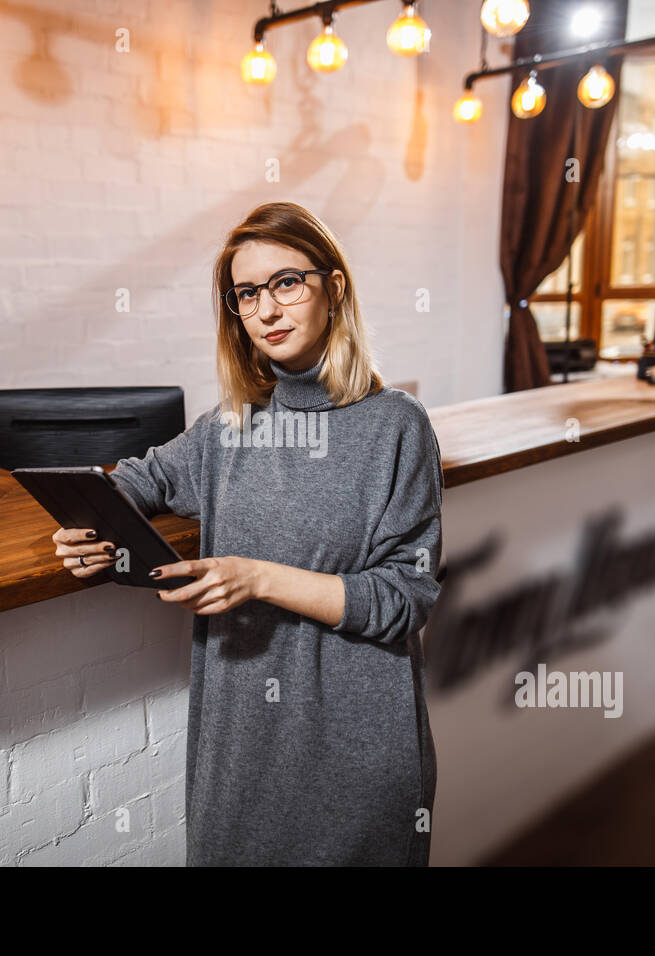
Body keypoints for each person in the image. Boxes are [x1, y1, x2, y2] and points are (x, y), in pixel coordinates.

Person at [52, 201, 444, 865]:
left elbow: (407, 597)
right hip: (239, 750)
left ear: (334, 287)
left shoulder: (397, 425)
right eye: (246, 293)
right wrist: (91, 525)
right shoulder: (229, 425)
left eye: (287, 282)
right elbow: (139, 480)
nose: (266, 309)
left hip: (358, 750)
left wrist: (258, 577)